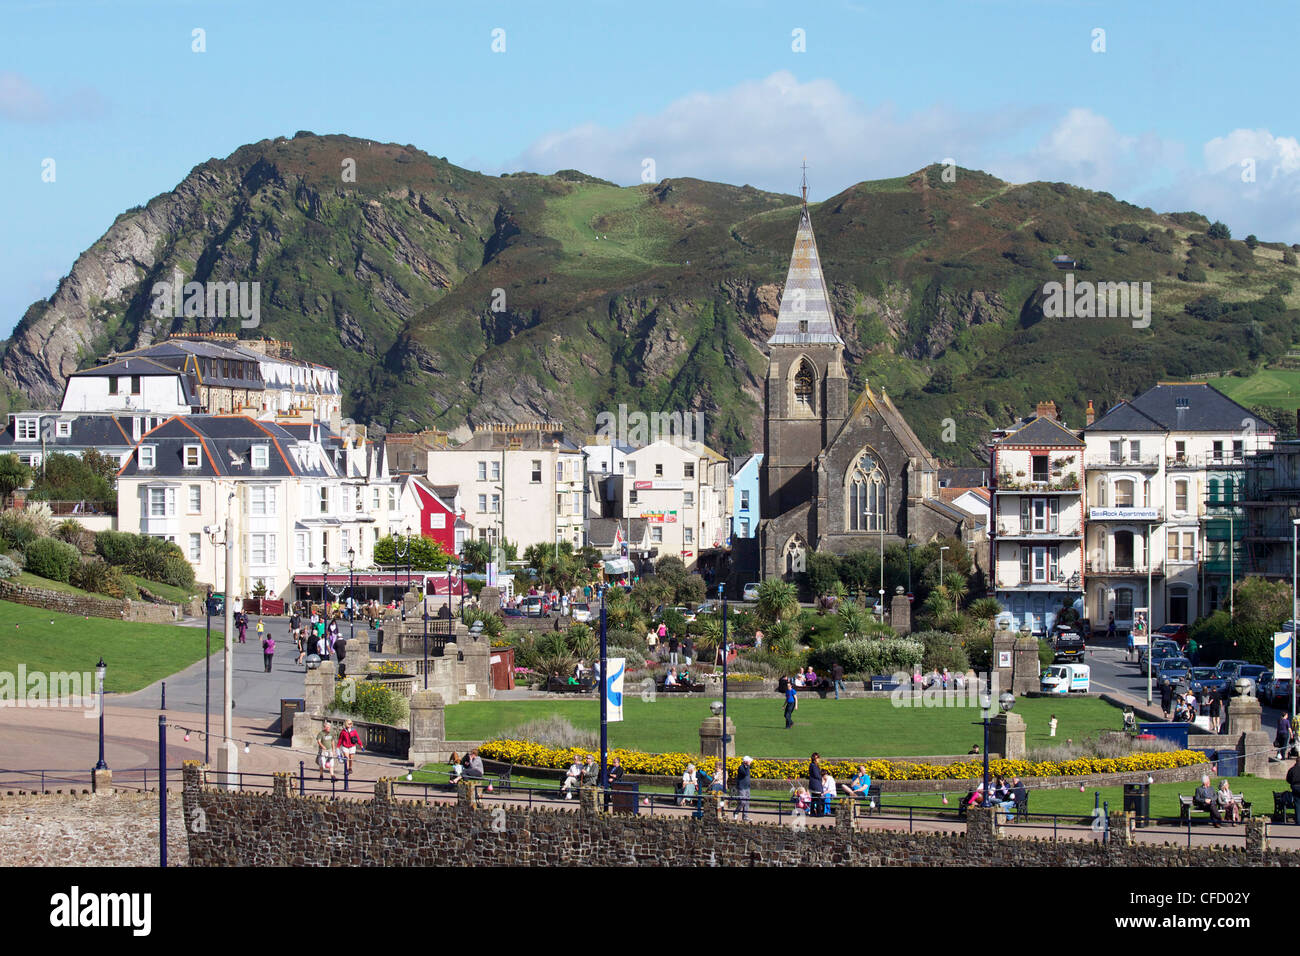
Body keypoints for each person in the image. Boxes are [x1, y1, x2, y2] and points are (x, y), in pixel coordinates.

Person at [734, 755, 753, 820]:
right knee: (742, 802)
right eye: (749, 761)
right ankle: (736, 812)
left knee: (747, 802)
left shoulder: (747, 767)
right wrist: (747, 766)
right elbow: (746, 773)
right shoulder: (741, 767)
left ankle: (745, 817)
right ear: (746, 761)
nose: (750, 762)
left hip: (747, 787)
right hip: (741, 787)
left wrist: (748, 766)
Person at [808, 753, 824, 817]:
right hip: (816, 785)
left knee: (814, 799)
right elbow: (816, 775)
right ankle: (818, 813)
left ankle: (813, 813)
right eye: (818, 758)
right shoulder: (813, 766)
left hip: (814, 784)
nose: (819, 759)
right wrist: (821, 777)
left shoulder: (813, 765)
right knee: (817, 799)